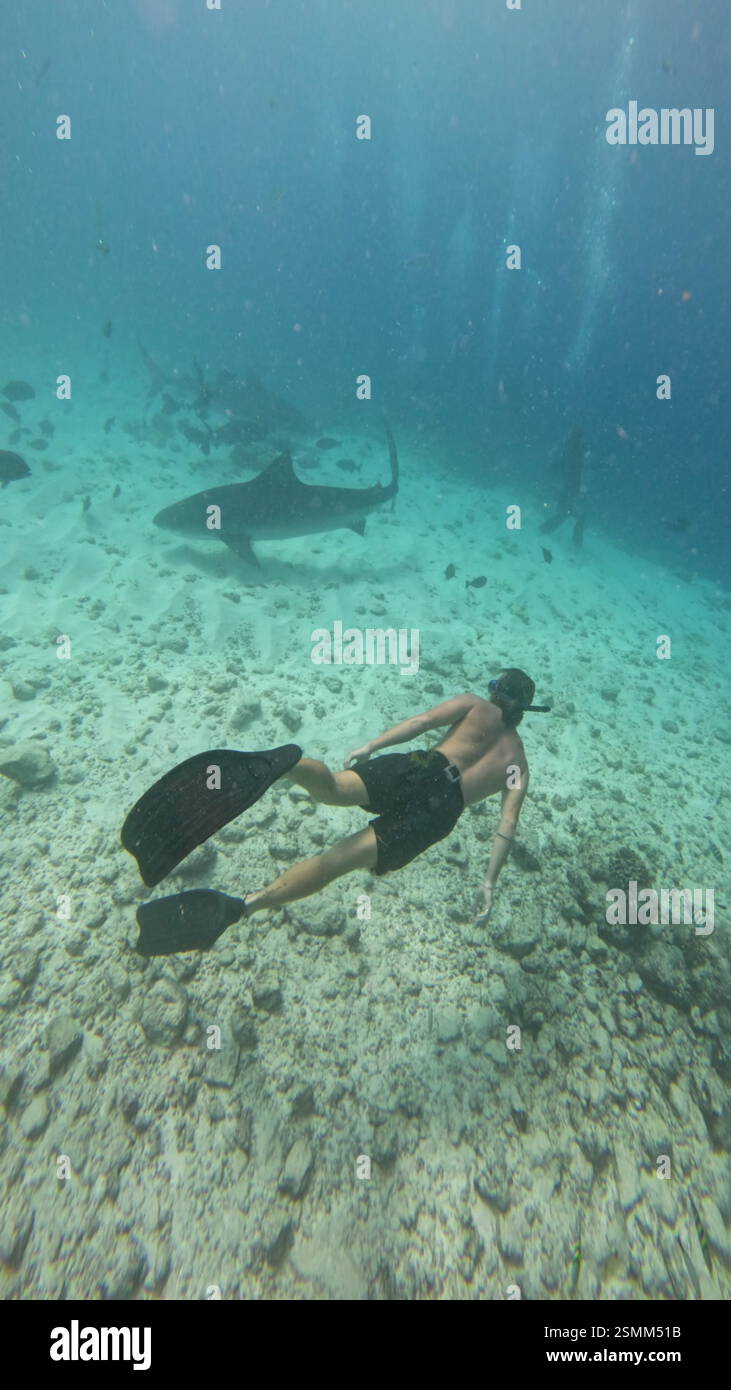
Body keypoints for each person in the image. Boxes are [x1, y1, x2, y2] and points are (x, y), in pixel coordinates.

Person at [242, 668, 548, 924]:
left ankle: (279, 767)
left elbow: (422, 722)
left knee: (333, 788)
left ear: (497, 690)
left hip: (421, 768)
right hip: (438, 813)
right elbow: (507, 824)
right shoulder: (517, 764)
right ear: (524, 709)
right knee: (333, 862)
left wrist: (371, 746)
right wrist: (488, 883)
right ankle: (249, 904)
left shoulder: (475, 706)